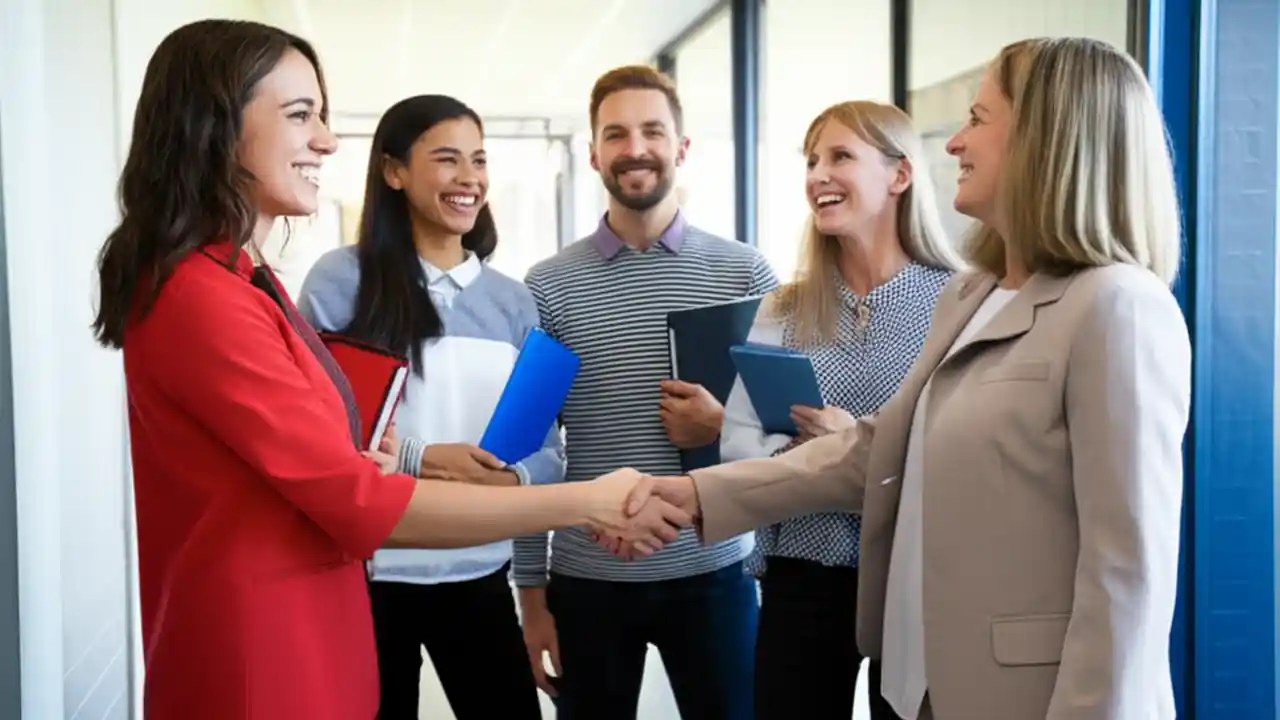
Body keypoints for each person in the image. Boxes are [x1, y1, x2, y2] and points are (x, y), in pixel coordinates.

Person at [91, 20, 684, 720]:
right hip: (264, 654)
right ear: (216, 127)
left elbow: (335, 458)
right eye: (300, 115)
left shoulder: (251, 281)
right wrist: (583, 502)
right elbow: (354, 497)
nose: (326, 140)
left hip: (324, 620)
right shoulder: (203, 296)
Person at [622, 37, 1190, 719]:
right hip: (927, 683)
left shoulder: (1117, 305)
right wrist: (690, 492)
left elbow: (1126, 578)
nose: (952, 145)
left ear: (1049, 135)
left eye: (978, 120)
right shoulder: (973, 299)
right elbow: (877, 450)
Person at [515, 65, 778, 719]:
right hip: (587, 580)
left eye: (653, 131)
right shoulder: (545, 288)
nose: (636, 147)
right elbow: (526, 450)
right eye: (617, 133)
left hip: (717, 576)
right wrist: (531, 597)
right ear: (595, 152)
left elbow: (792, 433)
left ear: (682, 147)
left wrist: (722, 426)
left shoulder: (745, 272)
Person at [298, 94, 556, 719]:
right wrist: (425, 459)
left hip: (478, 574)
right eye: (447, 160)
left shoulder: (516, 303)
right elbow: (323, 431)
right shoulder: (339, 282)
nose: (469, 179)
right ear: (394, 171)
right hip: (368, 578)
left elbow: (549, 449)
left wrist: (512, 478)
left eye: (479, 160)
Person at [721, 99, 960, 720]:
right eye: (811, 160)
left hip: (913, 573)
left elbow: (962, 451)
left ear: (899, 175)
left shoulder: (960, 301)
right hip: (799, 569)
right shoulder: (783, 306)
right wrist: (819, 457)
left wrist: (853, 446)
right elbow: (736, 439)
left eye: (840, 157)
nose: (818, 175)